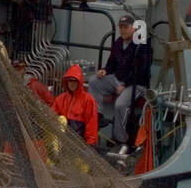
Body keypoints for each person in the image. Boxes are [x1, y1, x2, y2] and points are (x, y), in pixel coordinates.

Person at [88, 14, 152, 154]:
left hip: (137, 83)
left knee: (121, 104)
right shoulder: (118, 42)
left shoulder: (142, 45)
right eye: (121, 27)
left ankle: (121, 140)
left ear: (134, 28)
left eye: (126, 27)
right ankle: (98, 115)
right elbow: (112, 62)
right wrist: (104, 70)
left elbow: (141, 70)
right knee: (93, 82)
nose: (123, 30)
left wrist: (125, 85)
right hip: (118, 79)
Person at [51, 64, 99, 147]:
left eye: (74, 81)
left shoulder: (88, 100)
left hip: (80, 145)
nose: (72, 84)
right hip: (62, 143)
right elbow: (51, 116)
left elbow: (91, 124)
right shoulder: (61, 98)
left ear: (79, 82)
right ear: (66, 82)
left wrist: (90, 144)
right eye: (70, 81)